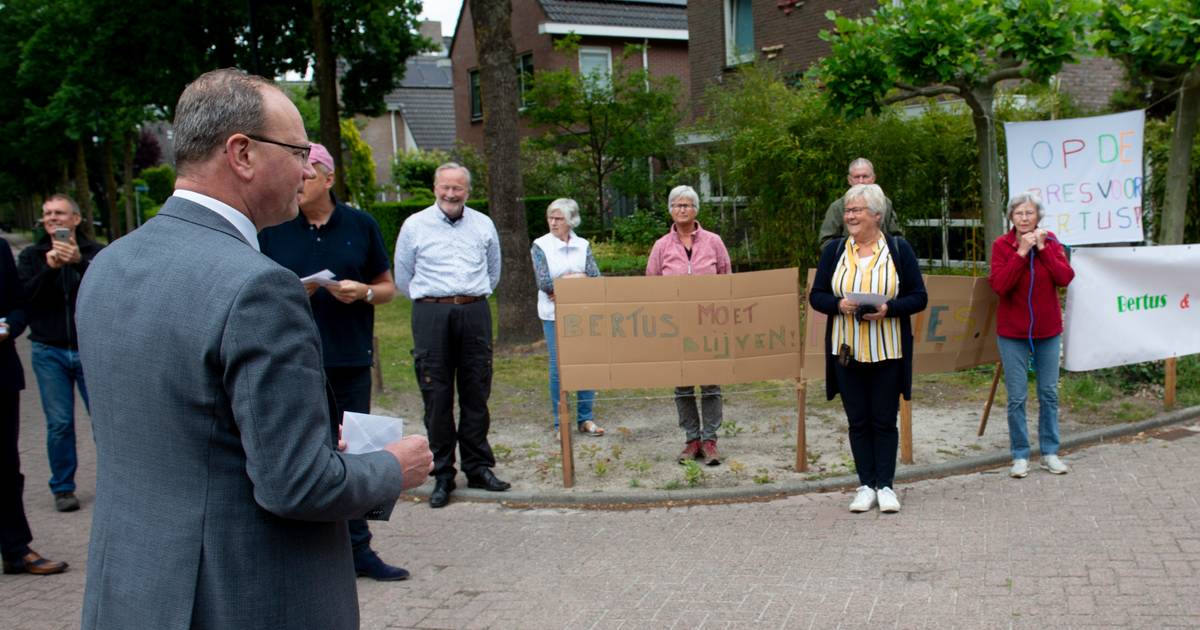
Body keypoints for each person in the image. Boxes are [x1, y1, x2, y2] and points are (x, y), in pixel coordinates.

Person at [74, 68, 432, 630]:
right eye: (297, 150)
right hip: (240, 597)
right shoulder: (258, 287)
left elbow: (179, 429)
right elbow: (296, 485)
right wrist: (391, 467)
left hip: (132, 590)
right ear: (241, 153)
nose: (308, 168)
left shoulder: (108, 265)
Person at [259, 143, 409, 581]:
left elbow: (387, 288)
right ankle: (308, 551)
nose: (301, 180)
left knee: (357, 449)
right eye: (298, 172)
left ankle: (359, 548)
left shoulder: (360, 225)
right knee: (304, 448)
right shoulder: (274, 229)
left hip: (348, 355)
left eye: (309, 173)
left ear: (328, 178)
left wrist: (360, 291)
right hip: (291, 359)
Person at [394, 162, 509, 509]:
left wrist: (470, 298)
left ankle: (478, 467)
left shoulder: (483, 225)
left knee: (476, 391)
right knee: (437, 396)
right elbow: (403, 275)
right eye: (445, 187)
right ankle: (443, 473)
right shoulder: (414, 226)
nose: (450, 194)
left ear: (467, 192)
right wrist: (436, 301)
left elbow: (494, 270)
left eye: (457, 188)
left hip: (474, 311)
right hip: (432, 313)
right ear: (435, 188)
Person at [809, 184, 927, 514]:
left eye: (857, 210)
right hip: (846, 353)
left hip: (887, 351)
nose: (850, 216)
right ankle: (865, 485)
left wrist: (889, 309)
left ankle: (886, 486)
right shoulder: (833, 252)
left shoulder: (899, 250)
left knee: (884, 421)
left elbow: (919, 297)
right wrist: (838, 304)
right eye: (848, 211)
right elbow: (816, 296)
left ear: (877, 214)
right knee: (858, 421)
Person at [16, 193, 103, 513]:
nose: (52, 218)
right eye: (47, 214)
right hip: (48, 350)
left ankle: (114, 482)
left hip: (89, 349)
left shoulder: (96, 254)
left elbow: (105, 293)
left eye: (59, 213)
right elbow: (24, 300)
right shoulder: (31, 256)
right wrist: (50, 268)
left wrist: (79, 263)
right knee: (60, 423)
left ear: (76, 219)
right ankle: (63, 487)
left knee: (103, 420)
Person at [988, 192, 1074, 478]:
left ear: (1038, 217)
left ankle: (1049, 452)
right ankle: (1020, 455)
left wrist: (1043, 249)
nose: (1024, 218)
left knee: (1048, 392)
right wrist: (1021, 253)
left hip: (1047, 331)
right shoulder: (1002, 246)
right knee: (1017, 396)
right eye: (1018, 214)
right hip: (1013, 333)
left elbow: (1065, 278)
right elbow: (1000, 285)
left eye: (1029, 213)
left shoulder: (1051, 243)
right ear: (1011, 217)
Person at [646, 185, 731, 466]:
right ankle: (691, 439)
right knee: (682, 385)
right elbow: (651, 286)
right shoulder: (661, 246)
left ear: (696, 209)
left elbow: (727, 279)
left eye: (687, 204)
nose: (682, 209)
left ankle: (710, 440)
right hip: (676, 327)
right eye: (677, 205)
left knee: (710, 384)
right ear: (670, 209)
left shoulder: (714, 242)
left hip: (709, 325)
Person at [1, 239, 68, 576]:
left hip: (1, 375)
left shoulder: (0, 248)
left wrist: (8, 326)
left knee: (7, 467)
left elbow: (19, 306)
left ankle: (16, 550)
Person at [531, 198, 604, 438]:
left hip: (582, 312)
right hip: (554, 315)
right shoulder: (540, 245)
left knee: (586, 363)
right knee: (559, 367)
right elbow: (545, 283)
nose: (553, 222)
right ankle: (559, 423)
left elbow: (595, 278)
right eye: (550, 217)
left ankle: (585, 418)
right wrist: (577, 278)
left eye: (559, 218)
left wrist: (564, 284)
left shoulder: (583, 245)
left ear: (571, 220)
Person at [818, 158, 902, 246]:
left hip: (882, 257)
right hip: (848, 257)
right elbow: (826, 241)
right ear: (849, 180)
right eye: (856, 177)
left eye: (865, 176)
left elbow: (896, 235)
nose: (861, 181)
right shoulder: (838, 207)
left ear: (873, 178)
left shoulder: (885, 203)